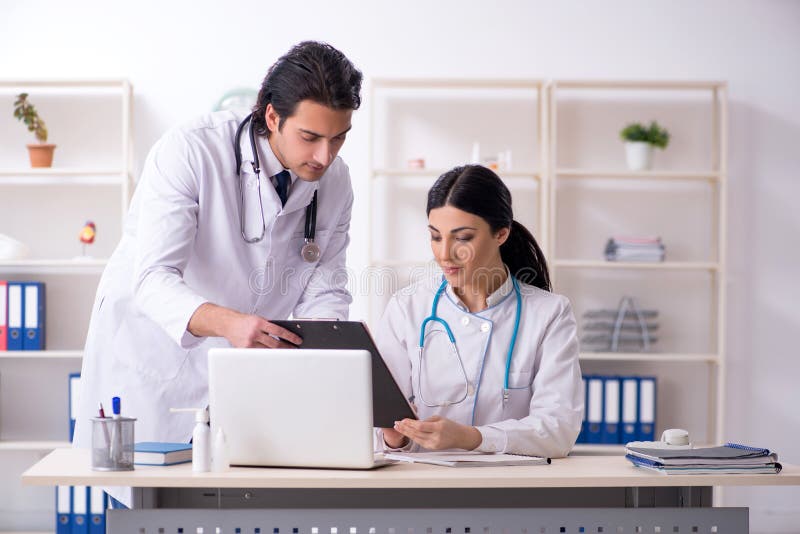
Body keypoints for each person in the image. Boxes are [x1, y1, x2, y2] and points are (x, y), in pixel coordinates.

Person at [73, 41, 363, 455]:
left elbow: (326, 290)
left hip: (245, 368)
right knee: (144, 509)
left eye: (338, 139)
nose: (324, 156)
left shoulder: (336, 182)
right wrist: (231, 324)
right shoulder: (191, 151)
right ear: (272, 116)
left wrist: (329, 348)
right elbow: (154, 279)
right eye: (310, 137)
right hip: (155, 355)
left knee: (232, 503)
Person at [376, 164, 583, 458]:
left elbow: (557, 430)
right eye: (436, 237)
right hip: (423, 487)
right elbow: (374, 428)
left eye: (462, 238)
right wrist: (394, 437)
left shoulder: (549, 314)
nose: (445, 253)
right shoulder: (407, 308)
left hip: (511, 490)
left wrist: (470, 437)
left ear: (501, 234)